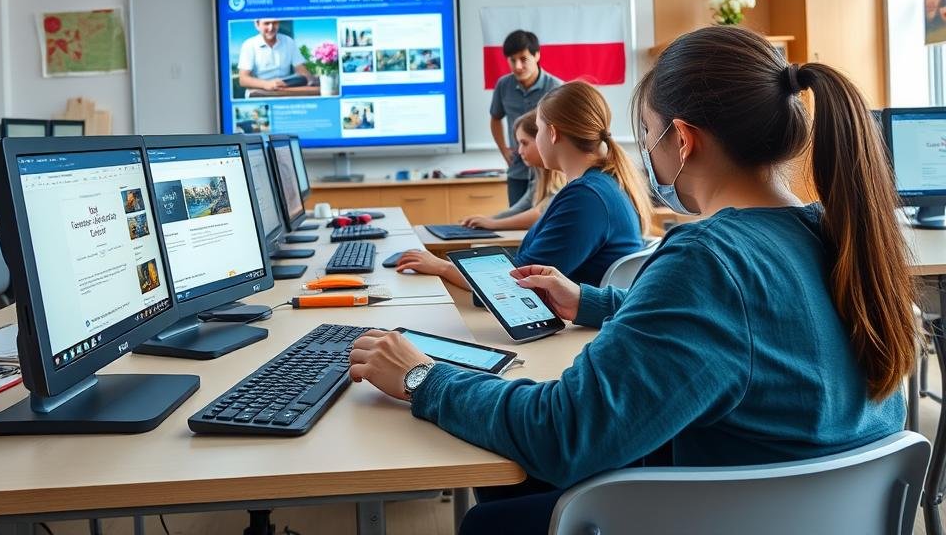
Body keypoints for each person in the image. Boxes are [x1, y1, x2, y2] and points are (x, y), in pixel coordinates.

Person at [350, 26, 915, 535]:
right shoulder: (832, 232)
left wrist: (423, 378)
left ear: (684, 140)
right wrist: (590, 302)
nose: (642, 151)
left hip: (723, 515)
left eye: (647, 133)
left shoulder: (710, 256)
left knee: (491, 518)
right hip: (812, 512)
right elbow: (739, 333)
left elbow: (562, 434)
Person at [398, 81, 650, 287]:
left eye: (538, 130)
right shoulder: (601, 184)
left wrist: (441, 266)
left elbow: (520, 279)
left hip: (564, 327)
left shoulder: (587, 197)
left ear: (552, 133)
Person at [490, 30, 563, 206]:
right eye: (512, 60)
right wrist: (504, 151)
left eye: (523, 59)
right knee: (516, 222)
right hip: (517, 169)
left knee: (542, 218)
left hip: (547, 169)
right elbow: (495, 119)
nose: (517, 66)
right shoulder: (503, 85)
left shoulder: (555, 87)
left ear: (536, 55)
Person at [461, 110, 565, 231]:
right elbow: (521, 207)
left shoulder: (561, 175)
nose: (519, 151)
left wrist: (492, 224)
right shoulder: (539, 173)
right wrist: (487, 220)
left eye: (524, 143)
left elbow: (540, 214)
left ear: (542, 139)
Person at [237, 18, 309, 92]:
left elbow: (301, 70)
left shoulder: (288, 41)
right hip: (259, 93)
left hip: (286, 90)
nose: (271, 28)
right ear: (257, 25)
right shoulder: (249, 45)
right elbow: (243, 79)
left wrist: (310, 78)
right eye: (266, 23)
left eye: (274, 23)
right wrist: (266, 84)